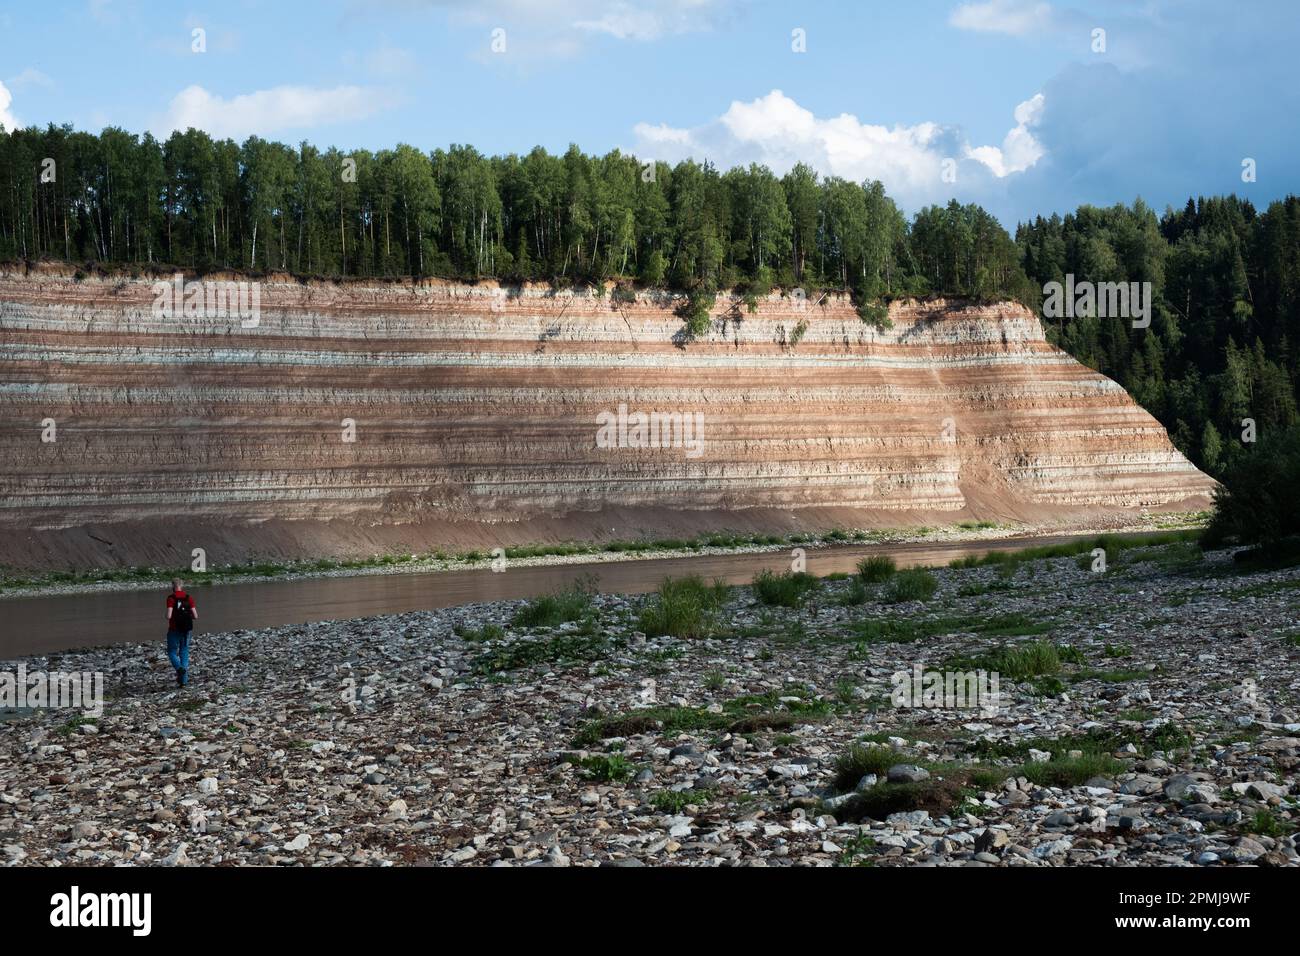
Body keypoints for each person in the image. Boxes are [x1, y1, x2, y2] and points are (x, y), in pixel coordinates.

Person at [165, 578, 198, 687]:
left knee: (172, 652)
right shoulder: (189, 598)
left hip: (174, 629)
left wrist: (168, 616)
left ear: (173, 586)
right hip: (186, 630)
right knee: (184, 651)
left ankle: (179, 668)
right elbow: (195, 616)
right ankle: (183, 681)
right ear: (182, 586)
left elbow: (168, 616)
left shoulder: (171, 598)